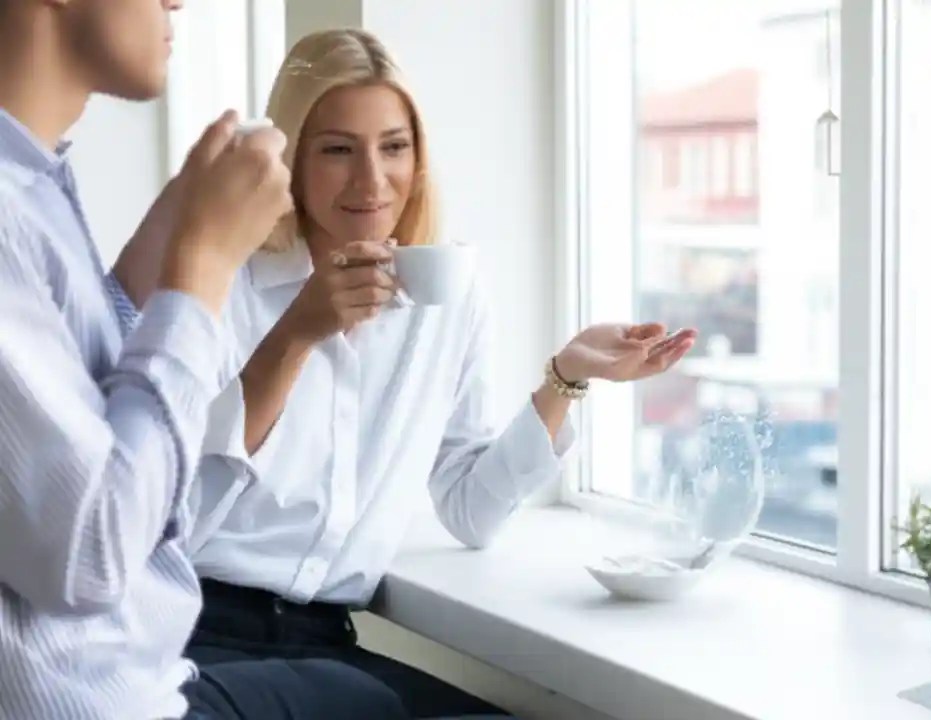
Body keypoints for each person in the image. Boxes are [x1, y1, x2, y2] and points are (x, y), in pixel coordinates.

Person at [182, 28, 698, 719]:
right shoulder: (225, 282)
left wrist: (564, 380)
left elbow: (470, 511)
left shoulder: (447, 294)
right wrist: (296, 335)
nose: (372, 180)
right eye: (338, 149)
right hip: (187, 634)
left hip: (324, 645)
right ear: (292, 160)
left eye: (394, 147)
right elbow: (169, 517)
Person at [0, 1, 414, 718]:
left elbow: (74, 399)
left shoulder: (36, 185)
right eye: (339, 148)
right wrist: (202, 270)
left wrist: (170, 232)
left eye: (396, 147)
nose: (176, 2)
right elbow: (92, 552)